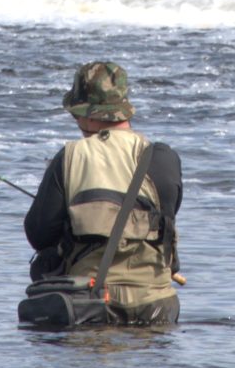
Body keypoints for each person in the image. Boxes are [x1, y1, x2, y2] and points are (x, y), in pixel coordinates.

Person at [23, 61, 184, 326]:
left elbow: (39, 235)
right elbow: (167, 220)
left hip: (90, 305)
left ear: (86, 114)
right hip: (156, 305)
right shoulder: (163, 158)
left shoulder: (70, 156)